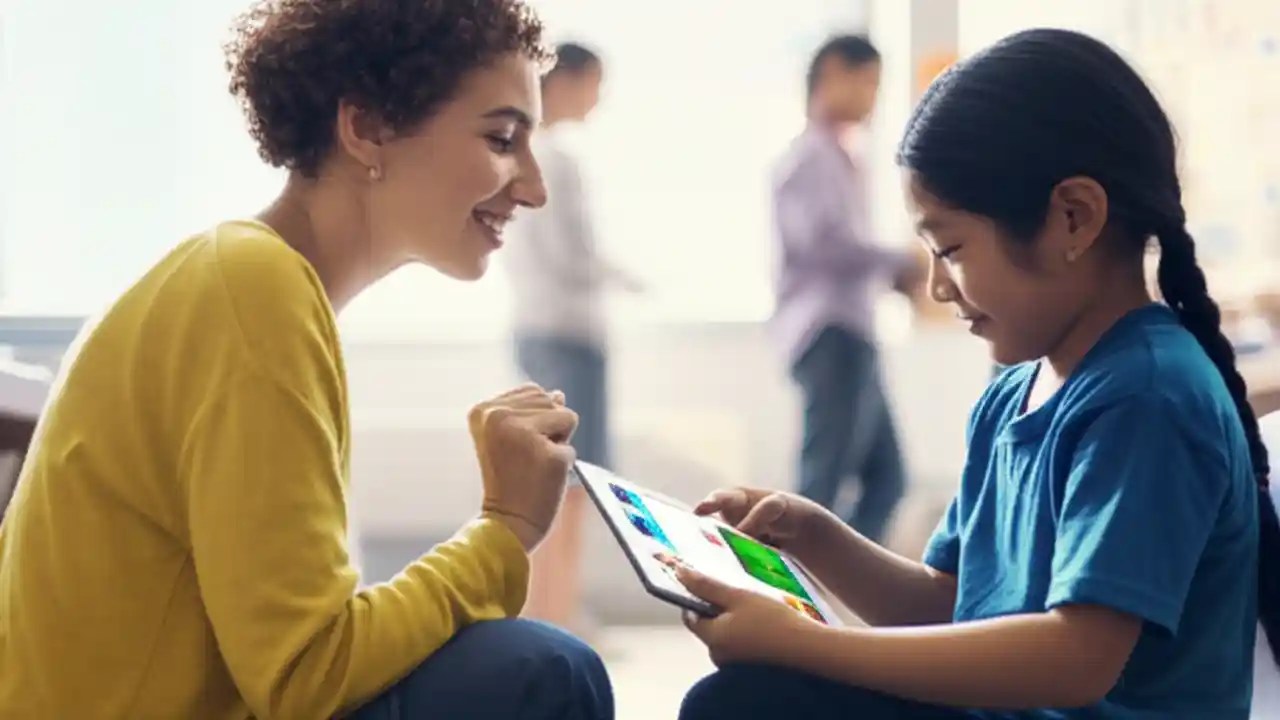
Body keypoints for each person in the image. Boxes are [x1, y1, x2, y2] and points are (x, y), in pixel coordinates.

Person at [0, 2, 614, 718]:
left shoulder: (249, 278)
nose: (534, 186)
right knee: (542, 670)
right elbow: (304, 676)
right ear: (366, 128)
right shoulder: (251, 290)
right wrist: (504, 529)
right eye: (503, 138)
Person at [673, 28, 1280, 719]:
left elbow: (1075, 658)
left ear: (1073, 219)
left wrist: (804, 645)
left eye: (951, 249)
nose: (936, 286)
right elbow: (950, 604)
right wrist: (815, 536)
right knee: (748, 699)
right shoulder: (1013, 395)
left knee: (751, 701)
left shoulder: (1148, 396)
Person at [503, 42, 642, 634]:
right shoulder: (556, 157)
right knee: (573, 482)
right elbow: (573, 256)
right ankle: (557, 614)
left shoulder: (532, 152)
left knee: (560, 477)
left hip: (539, 327)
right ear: (565, 82)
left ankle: (554, 609)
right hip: (567, 334)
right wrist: (625, 276)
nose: (599, 98)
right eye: (595, 83)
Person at [770, 35, 920, 544]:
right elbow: (827, 242)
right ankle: (791, 602)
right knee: (820, 487)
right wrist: (905, 259)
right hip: (830, 332)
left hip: (853, 330)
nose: (874, 97)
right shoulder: (812, 156)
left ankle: (831, 587)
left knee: (888, 479)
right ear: (832, 73)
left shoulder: (839, 155)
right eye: (868, 81)